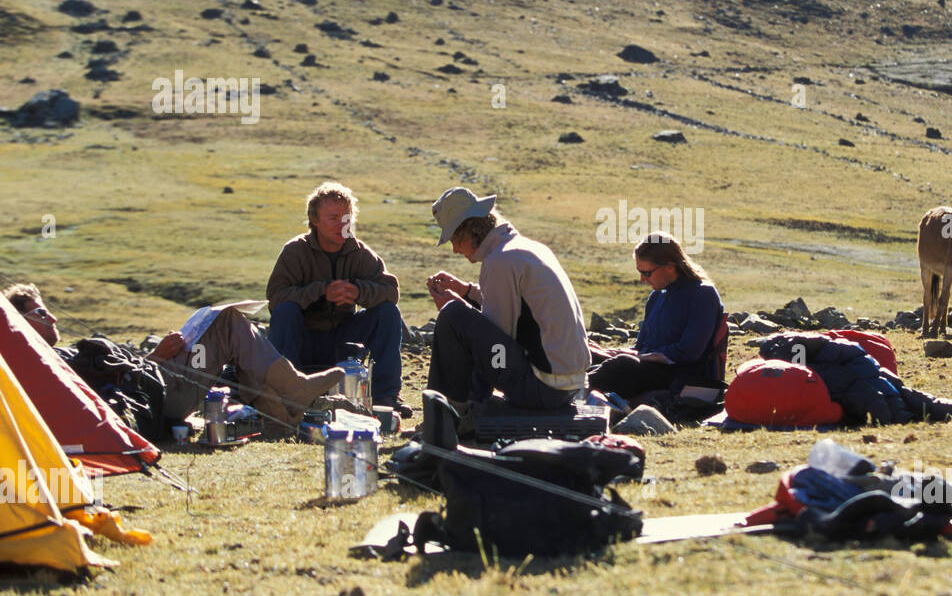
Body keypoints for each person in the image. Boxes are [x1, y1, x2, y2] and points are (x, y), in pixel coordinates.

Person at [3, 282, 342, 429]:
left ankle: (278, 411)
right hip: (166, 395)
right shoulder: (47, 363)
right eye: (41, 314)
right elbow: (106, 395)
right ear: (20, 322)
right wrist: (159, 358)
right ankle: (291, 391)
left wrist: (157, 355)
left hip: (167, 382)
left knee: (221, 322)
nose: (53, 318)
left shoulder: (53, 356)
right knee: (224, 322)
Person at [425, 187, 590, 412]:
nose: (455, 249)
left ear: (470, 230)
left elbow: (496, 337)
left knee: (453, 314)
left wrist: (455, 307)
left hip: (543, 388)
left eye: (454, 238)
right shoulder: (523, 249)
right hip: (567, 385)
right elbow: (515, 311)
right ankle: (467, 405)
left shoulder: (500, 262)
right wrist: (466, 292)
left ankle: (451, 412)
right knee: (460, 313)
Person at [266, 181, 409, 415]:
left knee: (387, 312)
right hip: (303, 341)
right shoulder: (296, 251)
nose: (342, 224)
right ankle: (289, 394)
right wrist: (321, 292)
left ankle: (386, 397)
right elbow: (275, 297)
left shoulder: (358, 252)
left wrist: (358, 291)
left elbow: (390, 290)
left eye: (347, 218)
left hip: (343, 344)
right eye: (333, 218)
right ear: (315, 220)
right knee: (285, 312)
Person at [587, 232, 725, 401]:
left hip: (679, 375)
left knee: (622, 364)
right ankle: (567, 387)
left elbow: (689, 352)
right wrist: (612, 352)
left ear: (670, 266)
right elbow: (642, 346)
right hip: (648, 367)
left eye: (647, 273)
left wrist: (638, 357)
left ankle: (571, 392)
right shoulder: (657, 296)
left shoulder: (703, 294)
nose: (642, 279)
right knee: (591, 354)